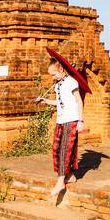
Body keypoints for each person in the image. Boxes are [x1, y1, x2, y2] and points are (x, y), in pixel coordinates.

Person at [36, 56, 85, 203]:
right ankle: (69, 175)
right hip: (61, 120)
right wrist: (45, 101)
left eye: (54, 74)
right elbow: (59, 102)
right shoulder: (58, 85)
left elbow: (79, 101)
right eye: (51, 75)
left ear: (62, 70)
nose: (53, 77)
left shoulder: (71, 82)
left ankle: (60, 181)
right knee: (56, 148)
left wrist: (81, 121)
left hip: (71, 120)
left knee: (65, 149)